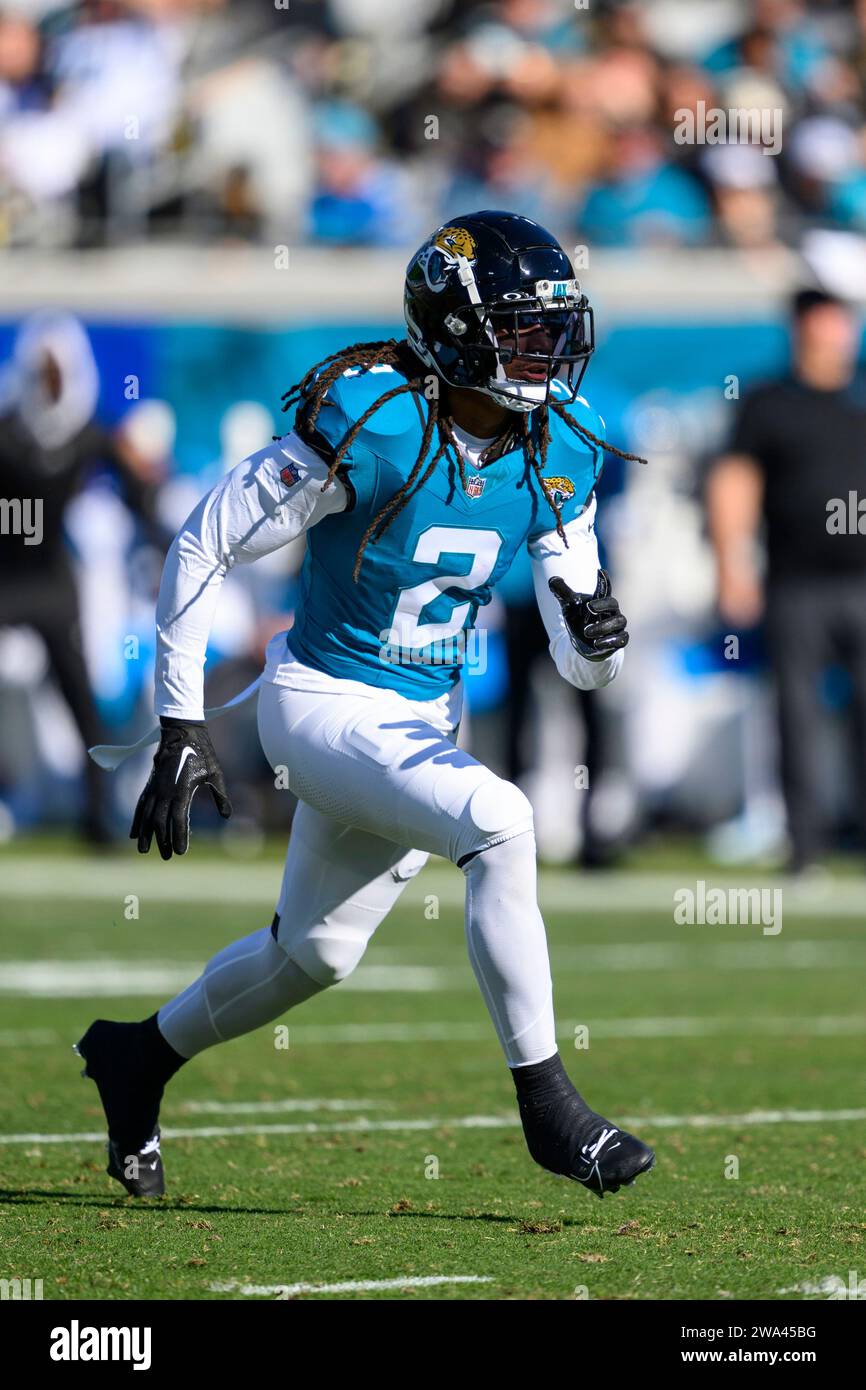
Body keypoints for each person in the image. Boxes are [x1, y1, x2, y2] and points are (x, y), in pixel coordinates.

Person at [76, 211, 655, 1201]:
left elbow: (577, 664)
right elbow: (202, 540)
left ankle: (136, 1058)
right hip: (318, 703)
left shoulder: (556, 446)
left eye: (552, 329)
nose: (545, 352)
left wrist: (594, 637)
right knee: (502, 820)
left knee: (312, 957)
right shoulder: (373, 420)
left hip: (419, 722)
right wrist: (179, 720)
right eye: (521, 330)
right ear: (457, 329)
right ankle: (548, 1109)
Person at [708, 287, 866, 872]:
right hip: (797, 582)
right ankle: (807, 847)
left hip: (863, 581)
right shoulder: (769, 402)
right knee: (795, 717)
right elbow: (734, 483)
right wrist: (733, 568)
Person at [0, 312, 160, 843]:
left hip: (51, 581)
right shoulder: (7, 432)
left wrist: (164, 546)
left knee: (81, 699)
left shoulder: (88, 435)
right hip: (7, 577)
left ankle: (98, 818)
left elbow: (138, 498)